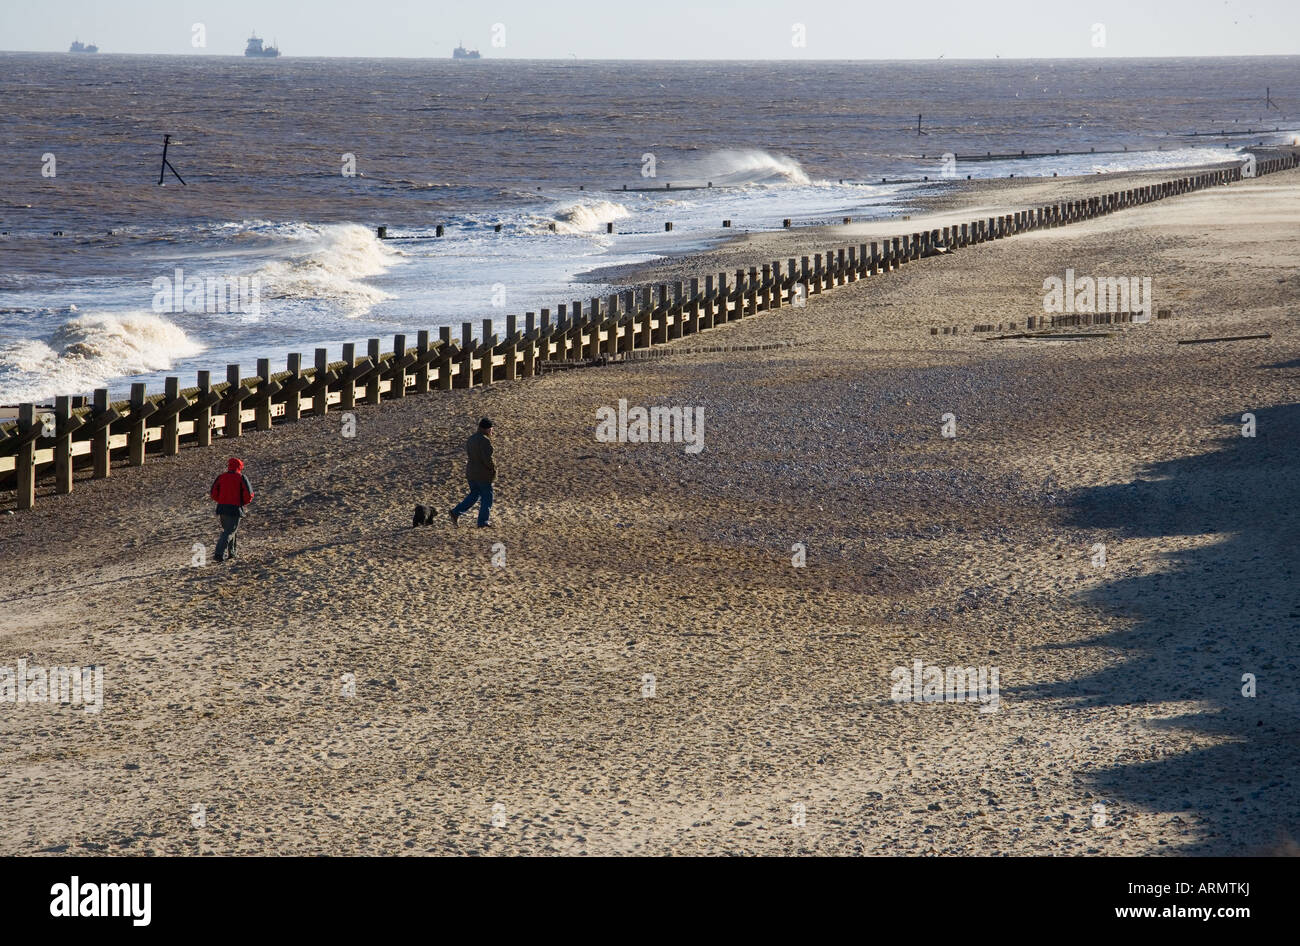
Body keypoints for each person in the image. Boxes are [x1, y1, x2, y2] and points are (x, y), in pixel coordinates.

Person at [450, 418, 495, 528]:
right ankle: (482, 521)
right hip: (482, 474)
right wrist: (493, 469)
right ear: (487, 429)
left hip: (471, 472)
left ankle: (456, 512)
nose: (492, 432)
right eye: (491, 429)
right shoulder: (485, 440)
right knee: (487, 497)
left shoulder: (471, 439)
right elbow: (487, 459)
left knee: (474, 495)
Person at [210, 457, 254, 561]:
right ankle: (218, 554)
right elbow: (249, 494)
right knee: (230, 531)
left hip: (222, 507)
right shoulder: (241, 477)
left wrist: (221, 500)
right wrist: (242, 503)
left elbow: (213, 493)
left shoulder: (221, 477)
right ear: (240, 467)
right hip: (234, 507)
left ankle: (232, 552)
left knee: (230, 530)